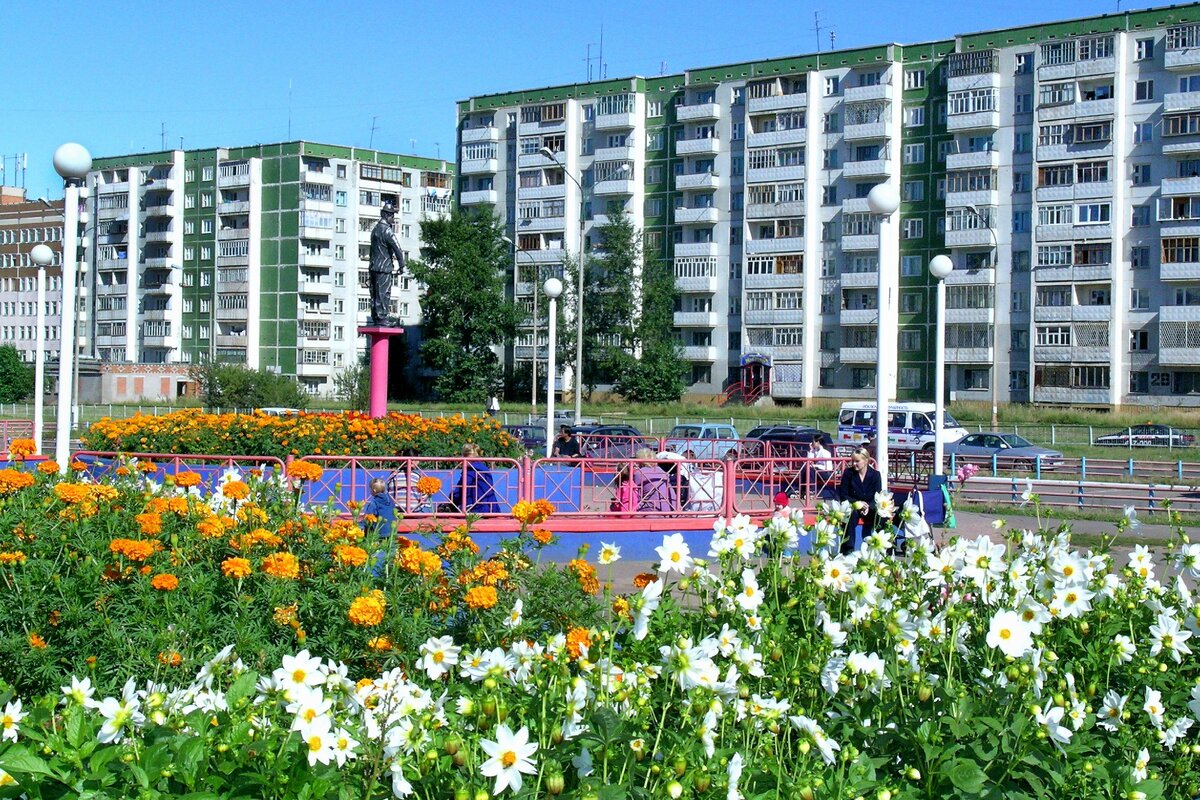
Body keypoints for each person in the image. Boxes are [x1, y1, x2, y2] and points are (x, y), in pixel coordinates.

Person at [837, 447, 883, 555]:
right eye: (852, 461)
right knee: (850, 515)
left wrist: (868, 506)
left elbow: (878, 495)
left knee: (881, 516)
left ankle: (881, 548)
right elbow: (843, 495)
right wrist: (858, 504)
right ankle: (848, 549)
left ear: (866, 460)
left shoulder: (876, 475)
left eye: (857, 461)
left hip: (870, 507)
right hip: (854, 506)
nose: (854, 464)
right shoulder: (848, 474)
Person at [368, 201, 405, 326]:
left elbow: (372, 250)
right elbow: (397, 248)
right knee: (383, 293)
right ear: (384, 215)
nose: (392, 219)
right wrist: (402, 265)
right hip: (384, 267)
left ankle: (376, 316)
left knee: (375, 293)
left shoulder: (375, 231)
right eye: (391, 215)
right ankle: (382, 317)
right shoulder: (387, 231)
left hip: (374, 267)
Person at [459, 443, 500, 514]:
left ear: (465, 457)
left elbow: (462, 489)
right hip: (492, 508)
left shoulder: (470, 470)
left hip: (475, 509)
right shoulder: (484, 468)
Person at [633, 447, 676, 513]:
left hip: (648, 509)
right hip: (666, 508)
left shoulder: (639, 473)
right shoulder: (662, 471)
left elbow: (634, 493)